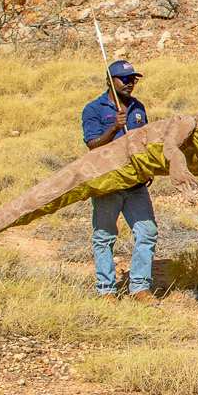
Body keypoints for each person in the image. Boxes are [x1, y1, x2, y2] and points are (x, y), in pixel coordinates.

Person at [80, 59, 157, 303]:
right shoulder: (93, 109)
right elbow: (93, 145)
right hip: (108, 183)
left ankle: (140, 288)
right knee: (104, 236)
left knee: (147, 233)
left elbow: (144, 140)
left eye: (133, 79)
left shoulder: (138, 107)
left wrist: (149, 167)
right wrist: (114, 128)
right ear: (110, 80)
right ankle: (106, 289)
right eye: (124, 79)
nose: (130, 83)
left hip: (135, 184)